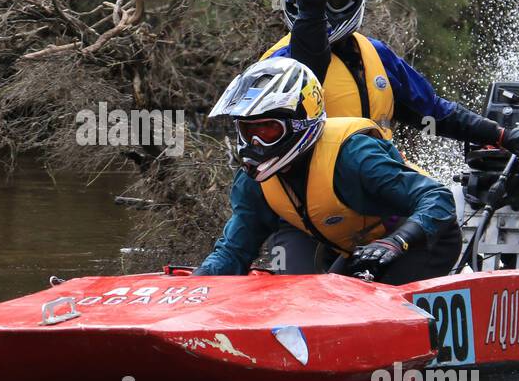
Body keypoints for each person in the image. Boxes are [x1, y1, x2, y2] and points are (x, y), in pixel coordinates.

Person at [261, 0, 519, 271]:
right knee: (298, 293)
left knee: (436, 229)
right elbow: (309, 64)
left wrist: (502, 135)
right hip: (308, 211)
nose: (323, 10)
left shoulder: (377, 55)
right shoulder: (280, 64)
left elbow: (436, 112)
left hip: (378, 199)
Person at [194, 56, 461, 283]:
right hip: (361, 252)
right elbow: (234, 252)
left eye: (267, 129)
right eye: (248, 131)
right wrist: (193, 288)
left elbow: (439, 199)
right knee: (309, 300)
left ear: (301, 123)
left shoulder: (354, 154)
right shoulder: (253, 182)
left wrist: (396, 242)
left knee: (350, 312)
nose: (256, 143)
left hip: (422, 242)